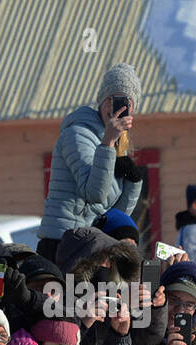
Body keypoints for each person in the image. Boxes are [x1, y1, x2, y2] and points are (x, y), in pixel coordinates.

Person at [37, 63, 145, 261]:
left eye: (125, 102)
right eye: (112, 100)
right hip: (61, 244)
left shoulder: (112, 144)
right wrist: (108, 143)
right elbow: (94, 193)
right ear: (101, 101)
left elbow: (112, 216)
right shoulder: (78, 133)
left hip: (88, 244)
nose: (117, 107)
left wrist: (134, 182)